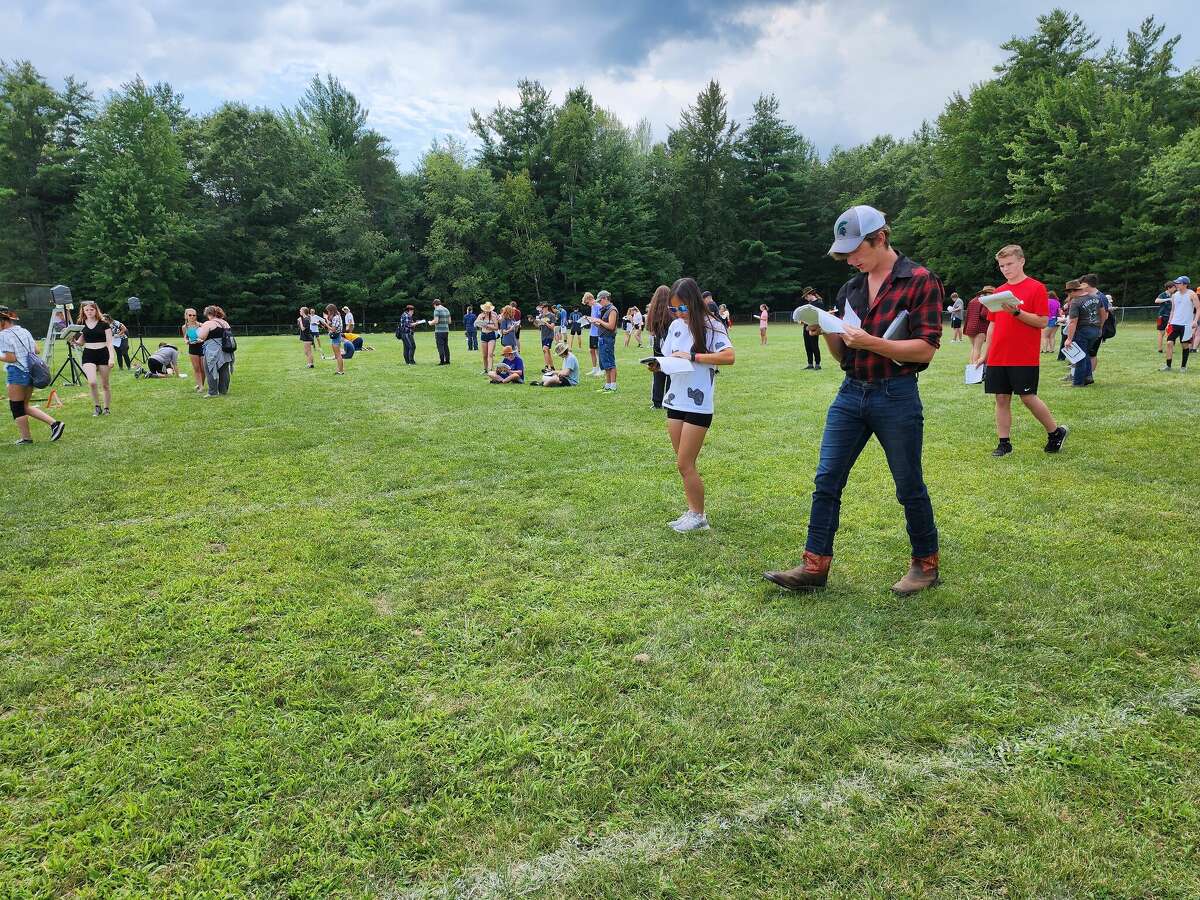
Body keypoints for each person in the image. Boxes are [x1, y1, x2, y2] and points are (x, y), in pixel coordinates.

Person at [764, 205, 944, 596]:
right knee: (827, 478)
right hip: (851, 393)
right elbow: (845, 357)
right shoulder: (851, 289)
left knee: (908, 483)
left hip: (897, 393)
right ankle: (814, 566)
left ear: (880, 238)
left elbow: (926, 349)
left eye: (854, 250)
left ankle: (925, 565)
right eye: (844, 253)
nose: (849, 259)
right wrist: (825, 331)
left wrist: (871, 342)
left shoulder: (919, 280)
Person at [647, 277, 735, 533]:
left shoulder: (712, 325)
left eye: (682, 308)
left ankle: (699, 517)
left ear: (693, 302)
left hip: (698, 404)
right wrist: (659, 364)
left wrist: (694, 356)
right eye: (674, 309)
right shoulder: (675, 326)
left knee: (685, 463)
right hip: (675, 399)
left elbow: (729, 357)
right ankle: (693, 511)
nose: (678, 313)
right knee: (684, 463)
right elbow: (669, 356)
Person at [982, 246, 1068, 456]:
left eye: (1009, 264)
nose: (1005, 269)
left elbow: (1041, 322)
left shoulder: (1036, 288)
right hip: (998, 356)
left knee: (1027, 397)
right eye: (1002, 266)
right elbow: (992, 325)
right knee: (1001, 399)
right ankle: (1004, 444)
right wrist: (985, 354)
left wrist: (1018, 312)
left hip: (1023, 355)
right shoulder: (999, 291)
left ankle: (1055, 432)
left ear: (1022, 261)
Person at [0, 306, 65, 444]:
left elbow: (11, 358)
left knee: (16, 406)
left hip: (17, 372)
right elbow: (36, 349)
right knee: (24, 406)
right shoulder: (24, 330)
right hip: (31, 371)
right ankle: (55, 425)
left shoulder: (4, 335)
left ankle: (27, 438)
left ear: (2, 321)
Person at [72, 300, 114, 416]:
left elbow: (110, 343)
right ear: (83, 311)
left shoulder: (104, 323)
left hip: (103, 353)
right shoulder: (81, 323)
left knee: (105, 384)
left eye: (91, 309)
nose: (89, 312)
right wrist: (74, 342)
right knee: (92, 382)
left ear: (96, 310)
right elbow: (81, 342)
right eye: (86, 310)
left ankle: (106, 408)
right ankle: (97, 407)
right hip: (89, 354)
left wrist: (111, 358)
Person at [1062, 279, 1101, 388]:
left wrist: (1069, 339)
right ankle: (1088, 377)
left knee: (1079, 357)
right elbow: (1103, 313)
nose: (1068, 295)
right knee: (1086, 354)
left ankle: (1078, 383)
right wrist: (1100, 328)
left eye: (1068, 293)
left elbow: (1073, 322)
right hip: (1095, 330)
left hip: (1082, 331)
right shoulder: (1095, 297)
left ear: (1072, 291)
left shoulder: (1076, 301)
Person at [1161, 276, 1198, 372]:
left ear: (1185, 284)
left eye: (1178, 283)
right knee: (1169, 343)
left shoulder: (1192, 294)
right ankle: (1168, 366)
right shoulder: (1174, 295)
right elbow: (1173, 310)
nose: (1176, 285)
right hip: (1174, 323)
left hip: (1186, 325)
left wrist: (1195, 321)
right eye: (1176, 283)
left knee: (1185, 345)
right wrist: (1169, 322)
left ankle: (1183, 367)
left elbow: (1198, 309)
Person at [645, 285, 673, 409]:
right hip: (670, 345)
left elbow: (650, 331)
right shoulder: (672, 311)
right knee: (671, 375)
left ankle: (657, 402)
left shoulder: (652, 311)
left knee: (657, 373)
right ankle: (668, 402)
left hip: (658, 346)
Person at [196, 306, 234, 397]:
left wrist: (199, 331)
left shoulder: (208, 323)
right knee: (224, 370)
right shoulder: (225, 322)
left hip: (213, 351)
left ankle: (213, 392)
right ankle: (223, 391)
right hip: (226, 349)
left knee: (210, 369)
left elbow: (202, 336)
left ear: (209, 314)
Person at [594, 290, 619, 393]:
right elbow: (603, 326)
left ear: (605, 298)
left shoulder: (612, 310)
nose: (600, 303)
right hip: (602, 338)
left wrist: (599, 321)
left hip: (608, 339)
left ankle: (613, 386)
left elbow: (611, 326)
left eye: (600, 301)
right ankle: (608, 385)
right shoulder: (605, 309)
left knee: (610, 363)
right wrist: (593, 322)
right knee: (605, 364)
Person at [964, 286, 993, 368]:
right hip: (980, 327)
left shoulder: (973, 300)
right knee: (977, 349)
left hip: (970, 327)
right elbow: (984, 314)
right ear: (987, 293)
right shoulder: (985, 301)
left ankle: (971, 366)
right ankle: (975, 367)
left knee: (974, 348)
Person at [800, 287, 824, 370]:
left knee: (814, 345)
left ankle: (817, 364)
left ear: (810, 294)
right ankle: (810, 364)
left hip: (814, 326)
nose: (806, 298)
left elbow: (821, 315)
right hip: (806, 326)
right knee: (807, 345)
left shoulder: (819, 303)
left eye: (806, 296)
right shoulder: (809, 304)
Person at [476, 302, 500, 374]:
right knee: (484, 355)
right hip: (483, 335)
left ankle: (490, 370)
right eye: (485, 310)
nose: (486, 311)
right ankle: (485, 369)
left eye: (488, 310)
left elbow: (496, 327)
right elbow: (477, 323)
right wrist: (479, 324)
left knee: (490, 354)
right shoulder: (480, 316)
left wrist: (487, 326)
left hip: (491, 335)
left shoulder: (493, 316)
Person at [323, 304, 346, 375]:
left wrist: (326, 325)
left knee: (338, 355)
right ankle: (339, 370)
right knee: (337, 355)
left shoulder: (335, 317)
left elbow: (333, 329)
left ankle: (341, 371)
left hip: (336, 337)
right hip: (337, 336)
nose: (328, 312)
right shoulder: (337, 316)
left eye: (328, 311)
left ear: (331, 310)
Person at [430, 298, 451, 365]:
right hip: (446, 330)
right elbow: (449, 321)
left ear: (434, 304)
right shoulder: (446, 309)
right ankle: (447, 361)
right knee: (446, 346)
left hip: (439, 331)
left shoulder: (437, 310)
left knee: (440, 346)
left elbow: (436, 321)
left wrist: (430, 323)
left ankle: (442, 361)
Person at [535, 303, 556, 369]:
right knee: (547, 351)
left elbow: (552, 327)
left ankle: (546, 367)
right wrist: (535, 322)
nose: (541, 309)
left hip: (549, 335)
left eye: (542, 308)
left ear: (546, 307)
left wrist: (546, 322)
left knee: (545, 349)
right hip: (543, 336)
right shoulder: (541, 316)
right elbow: (539, 327)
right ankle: (552, 367)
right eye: (541, 308)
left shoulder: (551, 315)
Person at [1155, 281, 1174, 353]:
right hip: (1162, 316)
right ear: (1169, 288)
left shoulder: (1174, 295)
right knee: (1161, 333)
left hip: (1171, 317)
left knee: (1170, 333)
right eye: (1173, 287)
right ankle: (1160, 349)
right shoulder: (1163, 294)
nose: (1175, 289)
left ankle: (1169, 349)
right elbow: (1156, 301)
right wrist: (1168, 299)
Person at [585, 291, 601, 375]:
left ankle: (601, 369)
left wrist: (593, 321)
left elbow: (600, 320)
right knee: (591, 350)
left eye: (587, 302)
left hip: (597, 332)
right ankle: (594, 369)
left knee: (598, 351)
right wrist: (588, 319)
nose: (587, 304)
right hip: (592, 332)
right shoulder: (592, 307)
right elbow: (593, 318)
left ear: (590, 299)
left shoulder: (598, 306)